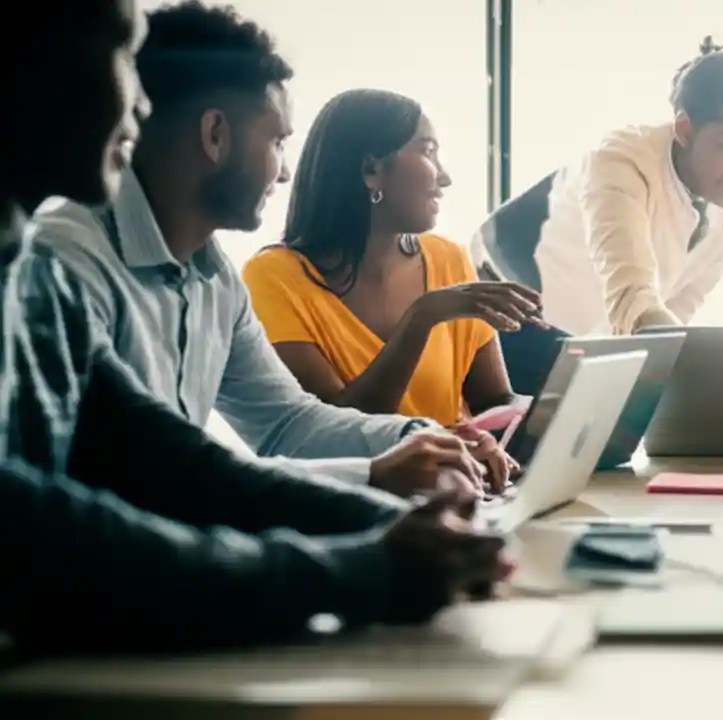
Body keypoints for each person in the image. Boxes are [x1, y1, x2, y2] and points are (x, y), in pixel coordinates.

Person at [0, 0, 502, 653]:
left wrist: (398, 526)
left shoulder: (40, 284)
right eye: (123, 53)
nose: (142, 106)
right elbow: (39, 529)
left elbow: (177, 462)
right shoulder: (61, 258)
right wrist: (367, 568)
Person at [471, 37, 723, 390]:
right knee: (553, 430)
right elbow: (630, 292)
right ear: (684, 129)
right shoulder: (618, 160)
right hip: (510, 306)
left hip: (589, 322)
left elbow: (685, 298)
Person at [242, 89, 542, 427]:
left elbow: (493, 401)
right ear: (371, 169)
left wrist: (552, 409)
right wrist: (421, 318)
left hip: (463, 477)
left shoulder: (448, 258)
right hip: (350, 480)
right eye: (428, 151)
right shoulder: (273, 277)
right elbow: (332, 434)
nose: (445, 177)